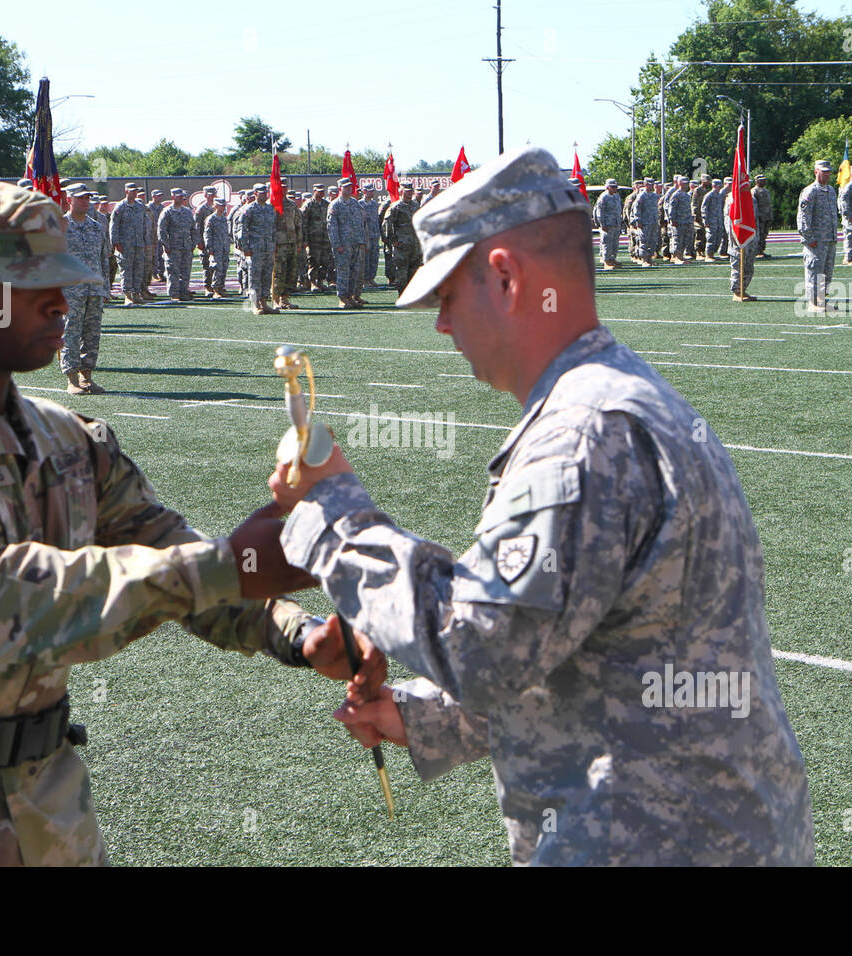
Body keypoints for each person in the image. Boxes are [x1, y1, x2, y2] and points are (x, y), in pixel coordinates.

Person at [0, 177, 381, 867]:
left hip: (42, 815)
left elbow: (161, 543)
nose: (61, 298)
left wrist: (298, 632)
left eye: (63, 277)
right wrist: (229, 565)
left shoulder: (63, 438)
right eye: (26, 283)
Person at [266, 147, 815, 867]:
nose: (440, 325)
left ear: (505, 276)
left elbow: (484, 649)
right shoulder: (618, 400)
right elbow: (587, 655)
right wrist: (423, 717)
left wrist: (332, 513)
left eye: (446, 297)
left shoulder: (582, 434)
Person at [61, 183, 110, 393]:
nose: (85, 201)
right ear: (69, 199)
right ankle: (71, 379)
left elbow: (104, 259)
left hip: (94, 290)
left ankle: (87, 376)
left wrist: (106, 287)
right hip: (70, 291)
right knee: (70, 333)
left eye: (88, 198)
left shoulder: (96, 226)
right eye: (81, 198)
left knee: (92, 334)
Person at [798, 159, 838, 312]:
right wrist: (809, 238)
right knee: (814, 271)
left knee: (826, 272)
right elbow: (803, 217)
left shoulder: (831, 191)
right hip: (816, 241)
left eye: (828, 172)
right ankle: (813, 303)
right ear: (816, 172)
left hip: (829, 239)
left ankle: (821, 301)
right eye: (823, 172)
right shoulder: (810, 191)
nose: (827, 175)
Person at [327, 177, 367, 309]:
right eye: (346, 187)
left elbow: (360, 223)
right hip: (343, 246)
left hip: (356, 244)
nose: (349, 189)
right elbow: (332, 227)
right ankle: (343, 298)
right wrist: (337, 244)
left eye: (350, 187)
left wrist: (362, 241)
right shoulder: (335, 205)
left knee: (355, 272)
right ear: (340, 189)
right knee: (343, 272)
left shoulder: (355, 203)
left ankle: (351, 296)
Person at [239, 182, 277, 315]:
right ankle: (255, 305)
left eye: (266, 192)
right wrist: (245, 248)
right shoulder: (249, 209)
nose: (265, 194)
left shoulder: (269, 209)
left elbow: (273, 229)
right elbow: (242, 230)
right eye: (261, 192)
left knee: (266, 276)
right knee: (255, 277)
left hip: (268, 248)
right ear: (255, 194)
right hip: (255, 249)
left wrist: (274, 244)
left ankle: (264, 303)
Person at [110, 182, 150, 306]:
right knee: (126, 270)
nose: (134, 193)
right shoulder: (120, 206)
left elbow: (145, 224)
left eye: (135, 191)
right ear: (126, 191)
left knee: (138, 269)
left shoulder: (140, 206)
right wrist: (115, 242)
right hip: (125, 245)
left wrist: (146, 241)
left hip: (139, 243)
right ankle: (127, 295)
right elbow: (114, 225)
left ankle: (137, 293)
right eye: (131, 191)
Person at [158, 187, 197, 302]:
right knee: (173, 271)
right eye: (178, 196)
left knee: (186, 271)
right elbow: (161, 230)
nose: (181, 198)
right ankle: (174, 293)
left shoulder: (187, 212)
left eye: (181, 196)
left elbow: (193, 229)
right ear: (173, 197)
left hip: (186, 246)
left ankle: (184, 291)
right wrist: (166, 245)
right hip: (173, 247)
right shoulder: (167, 211)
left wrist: (193, 243)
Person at [382, 182, 422, 292]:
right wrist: (393, 240)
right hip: (402, 245)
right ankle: (402, 294)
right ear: (401, 192)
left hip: (414, 244)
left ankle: (412, 294)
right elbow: (387, 224)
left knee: (414, 270)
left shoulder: (415, 205)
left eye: (411, 191)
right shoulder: (395, 207)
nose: (409, 194)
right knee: (402, 272)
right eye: (407, 191)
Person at [723, 182, 758, 302]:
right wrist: (734, 237)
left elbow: (754, 219)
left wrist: (755, 237)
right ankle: (737, 291)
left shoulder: (751, 198)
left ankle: (743, 289)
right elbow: (729, 220)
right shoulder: (733, 199)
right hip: (737, 238)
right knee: (738, 265)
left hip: (750, 238)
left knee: (748, 266)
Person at [272, 177, 303, 310]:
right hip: (278, 244)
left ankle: (285, 299)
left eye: (285, 187)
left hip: (291, 243)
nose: (283, 189)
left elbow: (298, 224)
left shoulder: (291, 204)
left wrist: (299, 241)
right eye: (281, 186)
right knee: (278, 273)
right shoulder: (272, 204)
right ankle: (275, 300)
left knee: (291, 273)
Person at [302, 184, 331, 292]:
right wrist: (305, 239)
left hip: (325, 238)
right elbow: (303, 223)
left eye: (323, 191)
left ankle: (320, 281)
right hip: (313, 239)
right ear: (314, 191)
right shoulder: (308, 204)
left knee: (325, 261)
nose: (321, 193)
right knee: (314, 261)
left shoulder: (326, 204)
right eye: (319, 191)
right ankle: (313, 282)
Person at [594, 179, 624, 270]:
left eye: (616, 187)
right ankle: (606, 261)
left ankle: (612, 259)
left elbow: (619, 209)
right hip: (607, 224)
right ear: (607, 187)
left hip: (616, 223)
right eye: (613, 187)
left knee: (614, 244)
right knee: (606, 243)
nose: (615, 188)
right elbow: (599, 211)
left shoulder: (616, 196)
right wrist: (602, 224)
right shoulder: (603, 197)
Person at [204, 198, 229, 299]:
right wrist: (209, 248)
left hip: (224, 247)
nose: (223, 207)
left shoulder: (224, 218)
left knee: (224, 268)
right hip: (216, 248)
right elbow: (207, 234)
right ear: (216, 206)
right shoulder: (211, 219)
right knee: (217, 269)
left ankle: (221, 288)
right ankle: (216, 290)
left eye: (224, 205)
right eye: (221, 205)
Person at [195, 186, 218, 294]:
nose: (212, 196)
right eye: (210, 194)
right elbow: (197, 227)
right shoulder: (201, 209)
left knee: (217, 265)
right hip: (205, 241)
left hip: (217, 240)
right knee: (207, 265)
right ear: (205, 195)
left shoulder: (217, 207)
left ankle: (217, 286)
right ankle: (207, 287)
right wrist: (199, 241)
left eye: (213, 194)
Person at [633, 179, 659, 267]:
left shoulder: (654, 195)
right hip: (645, 222)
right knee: (644, 241)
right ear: (646, 185)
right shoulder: (641, 196)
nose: (652, 186)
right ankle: (644, 260)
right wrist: (638, 220)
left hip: (653, 222)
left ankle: (649, 259)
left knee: (652, 241)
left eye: (653, 184)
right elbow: (636, 209)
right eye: (650, 184)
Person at [669, 177, 694, 264]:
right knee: (678, 240)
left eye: (687, 183)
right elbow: (672, 208)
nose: (686, 185)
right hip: (678, 222)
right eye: (684, 183)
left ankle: (681, 256)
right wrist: (673, 220)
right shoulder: (676, 195)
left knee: (685, 240)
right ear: (680, 183)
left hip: (686, 221)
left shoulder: (687, 195)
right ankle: (677, 258)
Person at [702, 178, 725, 260]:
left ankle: (713, 254)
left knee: (718, 238)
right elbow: (704, 209)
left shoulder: (720, 196)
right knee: (711, 238)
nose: (719, 188)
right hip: (711, 221)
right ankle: (708, 255)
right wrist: (705, 221)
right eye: (718, 186)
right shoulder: (709, 195)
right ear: (714, 186)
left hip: (719, 221)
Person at [752, 174, 773, 258]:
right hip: (759, 217)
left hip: (767, 216)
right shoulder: (754, 191)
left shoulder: (766, 191)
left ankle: (761, 250)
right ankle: (757, 251)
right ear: (757, 181)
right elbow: (753, 205)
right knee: (759, 234)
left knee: (764, 235)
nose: (764, 181)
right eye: (762, 180)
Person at [691, 173, 711, 260]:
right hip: (698, 215)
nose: (708, 183)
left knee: (704, 234)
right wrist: (695, 214)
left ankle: (702, 251)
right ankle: (698, 252)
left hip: (704, 215)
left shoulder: (706, 190)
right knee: (699, 233)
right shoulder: (697, 190)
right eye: (707, 181)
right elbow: (694, 203)